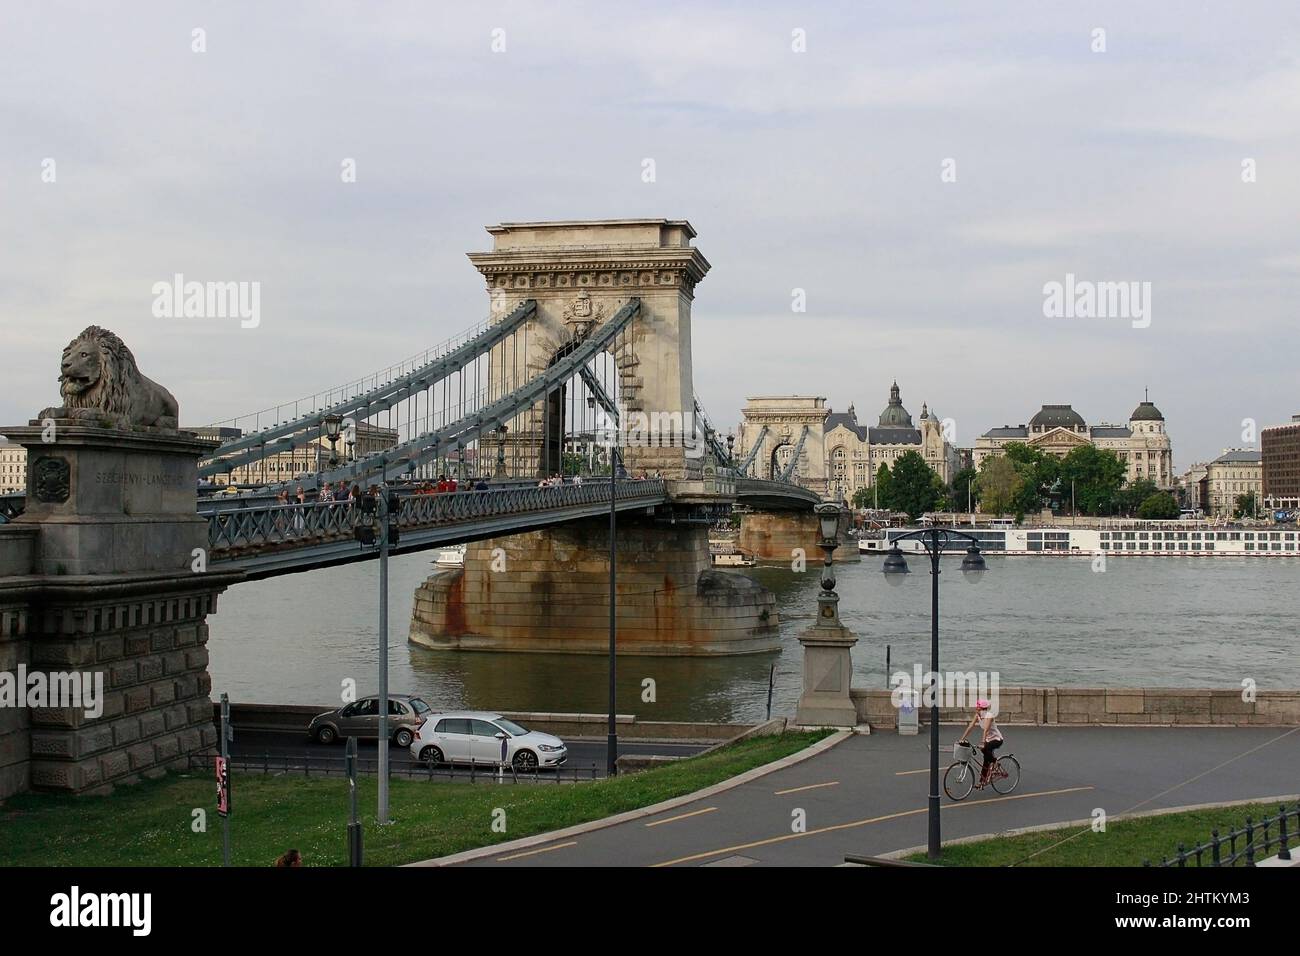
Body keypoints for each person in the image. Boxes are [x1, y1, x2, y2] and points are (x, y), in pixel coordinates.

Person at [959, 699, 1004, 787]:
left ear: (982, 708)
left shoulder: (989, 715)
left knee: (985, 749)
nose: (977, 709)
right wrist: (962, 738)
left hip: (997, 739)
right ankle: (982, 782)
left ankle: (995, 762)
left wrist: (982, 742)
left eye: (978, 707)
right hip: (988, 740)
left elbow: (986, 730)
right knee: (986, 759)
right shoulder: (978, 715)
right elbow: (970, 727)